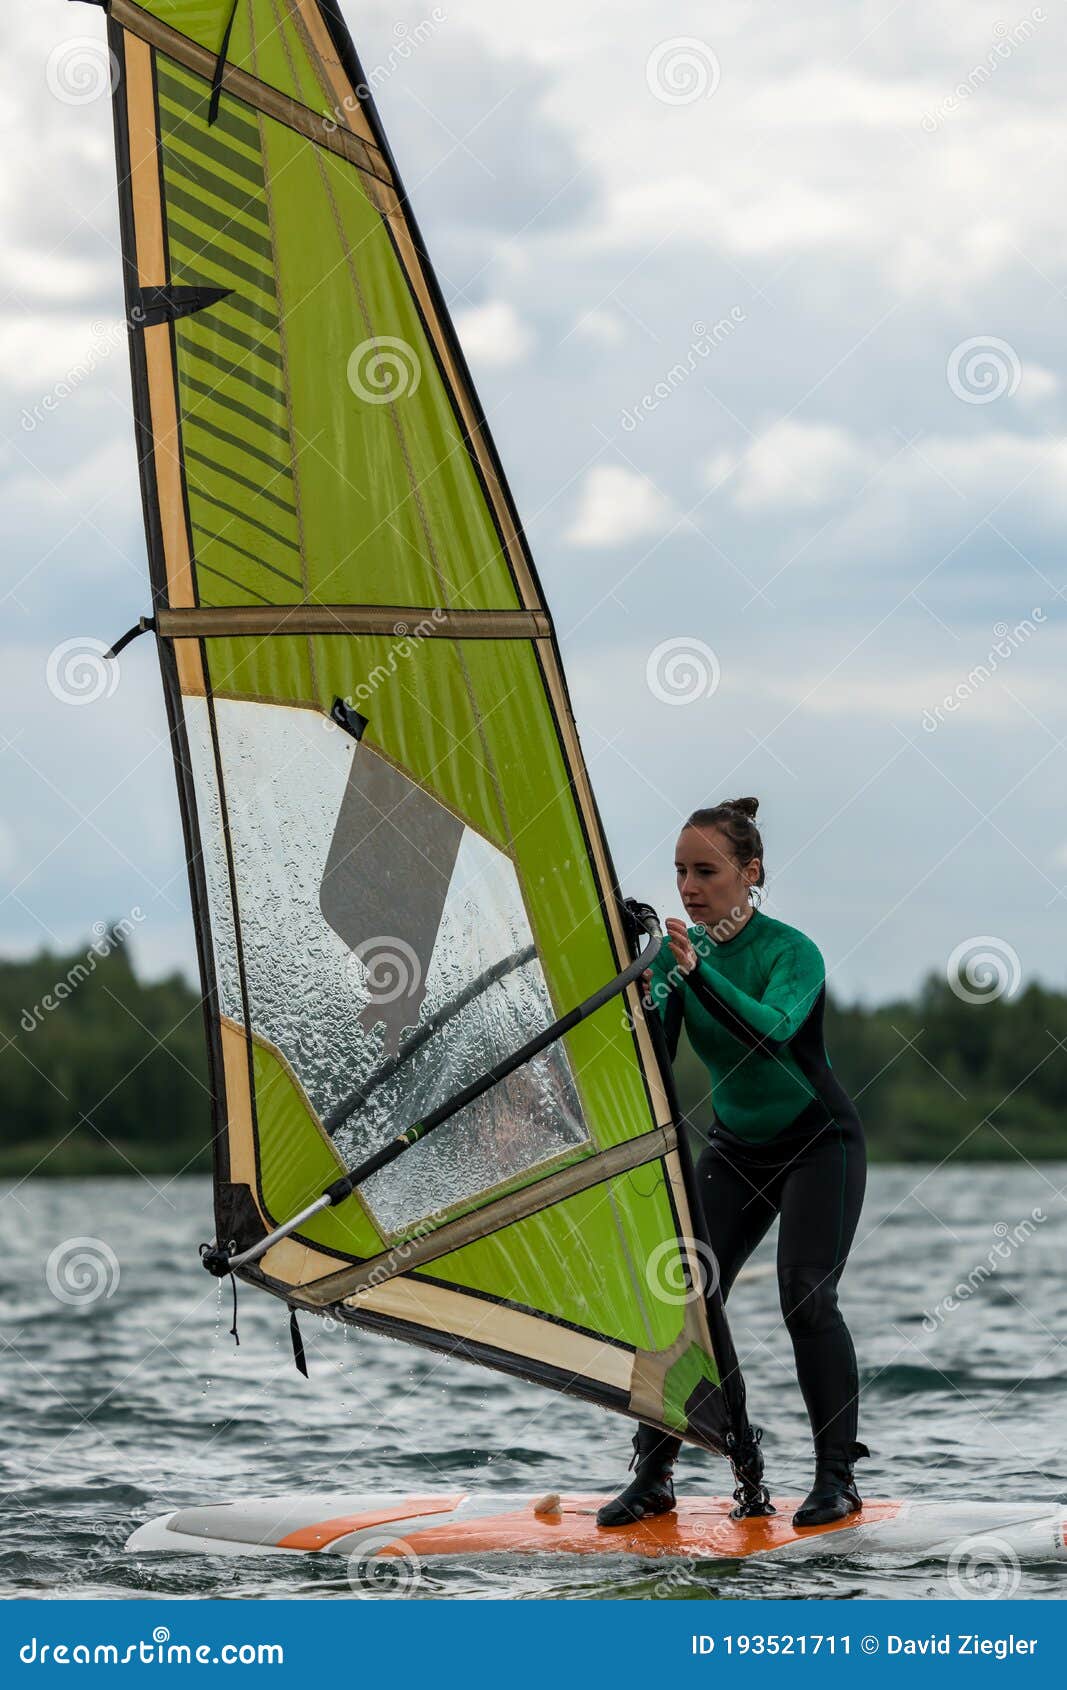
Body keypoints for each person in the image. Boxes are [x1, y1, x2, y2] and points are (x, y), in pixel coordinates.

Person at [598, 798, 868, 1530]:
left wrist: (696, 970)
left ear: (748, 874)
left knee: (805, 1298)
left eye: (707, 871)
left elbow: (775, 1031)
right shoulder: (681, 959)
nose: (688, 885)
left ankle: (836, 1480)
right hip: (737, 1150)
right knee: (677, 1292)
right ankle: (655, 1476)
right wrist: (630, 971)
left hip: (819, 1144)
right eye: (681, 870)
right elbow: (652, 1057)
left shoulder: (791, 951)